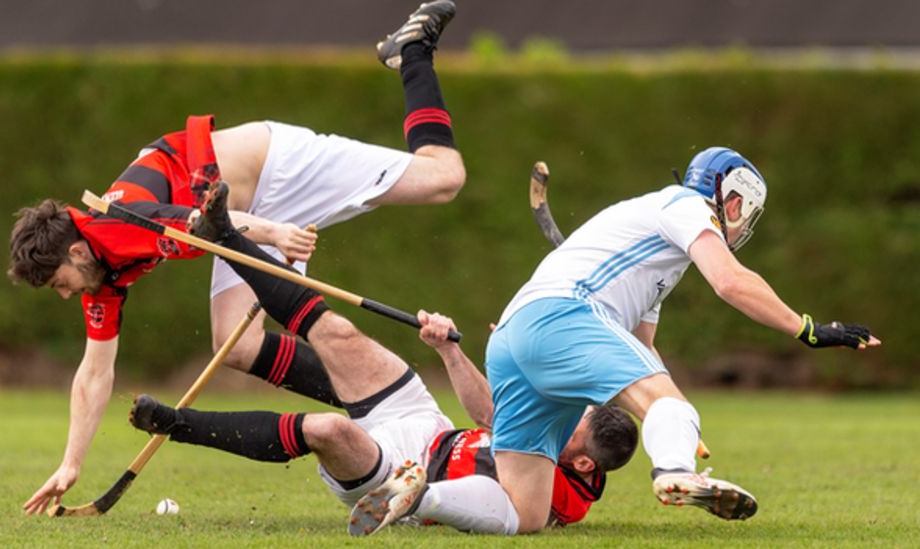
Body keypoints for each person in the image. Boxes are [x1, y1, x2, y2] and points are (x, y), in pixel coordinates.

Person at [10, 0, 463, 516]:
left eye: (59, 283)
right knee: (236, 344)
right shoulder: (103, 270)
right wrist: (71, 465)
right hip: (234, 211)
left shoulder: (120, 224)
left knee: (443, 179)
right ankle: (371, 404)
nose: (66, 293)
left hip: (280, 168)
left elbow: (208, 224)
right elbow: (94, 372)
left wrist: (274, 233)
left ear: (73, 250)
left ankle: (412, 55)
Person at [353, 146, 882, 535]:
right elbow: (731, 281)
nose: (742, 224)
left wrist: (674, 419)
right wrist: (810, 329)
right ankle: (674, 473)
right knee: (669, 406)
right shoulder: (686, 206)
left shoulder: (661, 259)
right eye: (744, 208)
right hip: (564, 314)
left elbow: (642, 348)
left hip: (516, 335)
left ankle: (421, 495)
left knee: (526, 511)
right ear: (728, 196)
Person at [128, 310, 639, 534]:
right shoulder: (559, 438)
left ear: (584, 461)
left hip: (404, 473)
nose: (567, 415)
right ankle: (234, 241)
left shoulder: (563, 496)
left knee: (328, 429)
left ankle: (180, 423)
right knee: (342, 342)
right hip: (429, 426)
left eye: (577, 421)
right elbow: (490, 411)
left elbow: (498, 414)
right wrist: (457, 349)